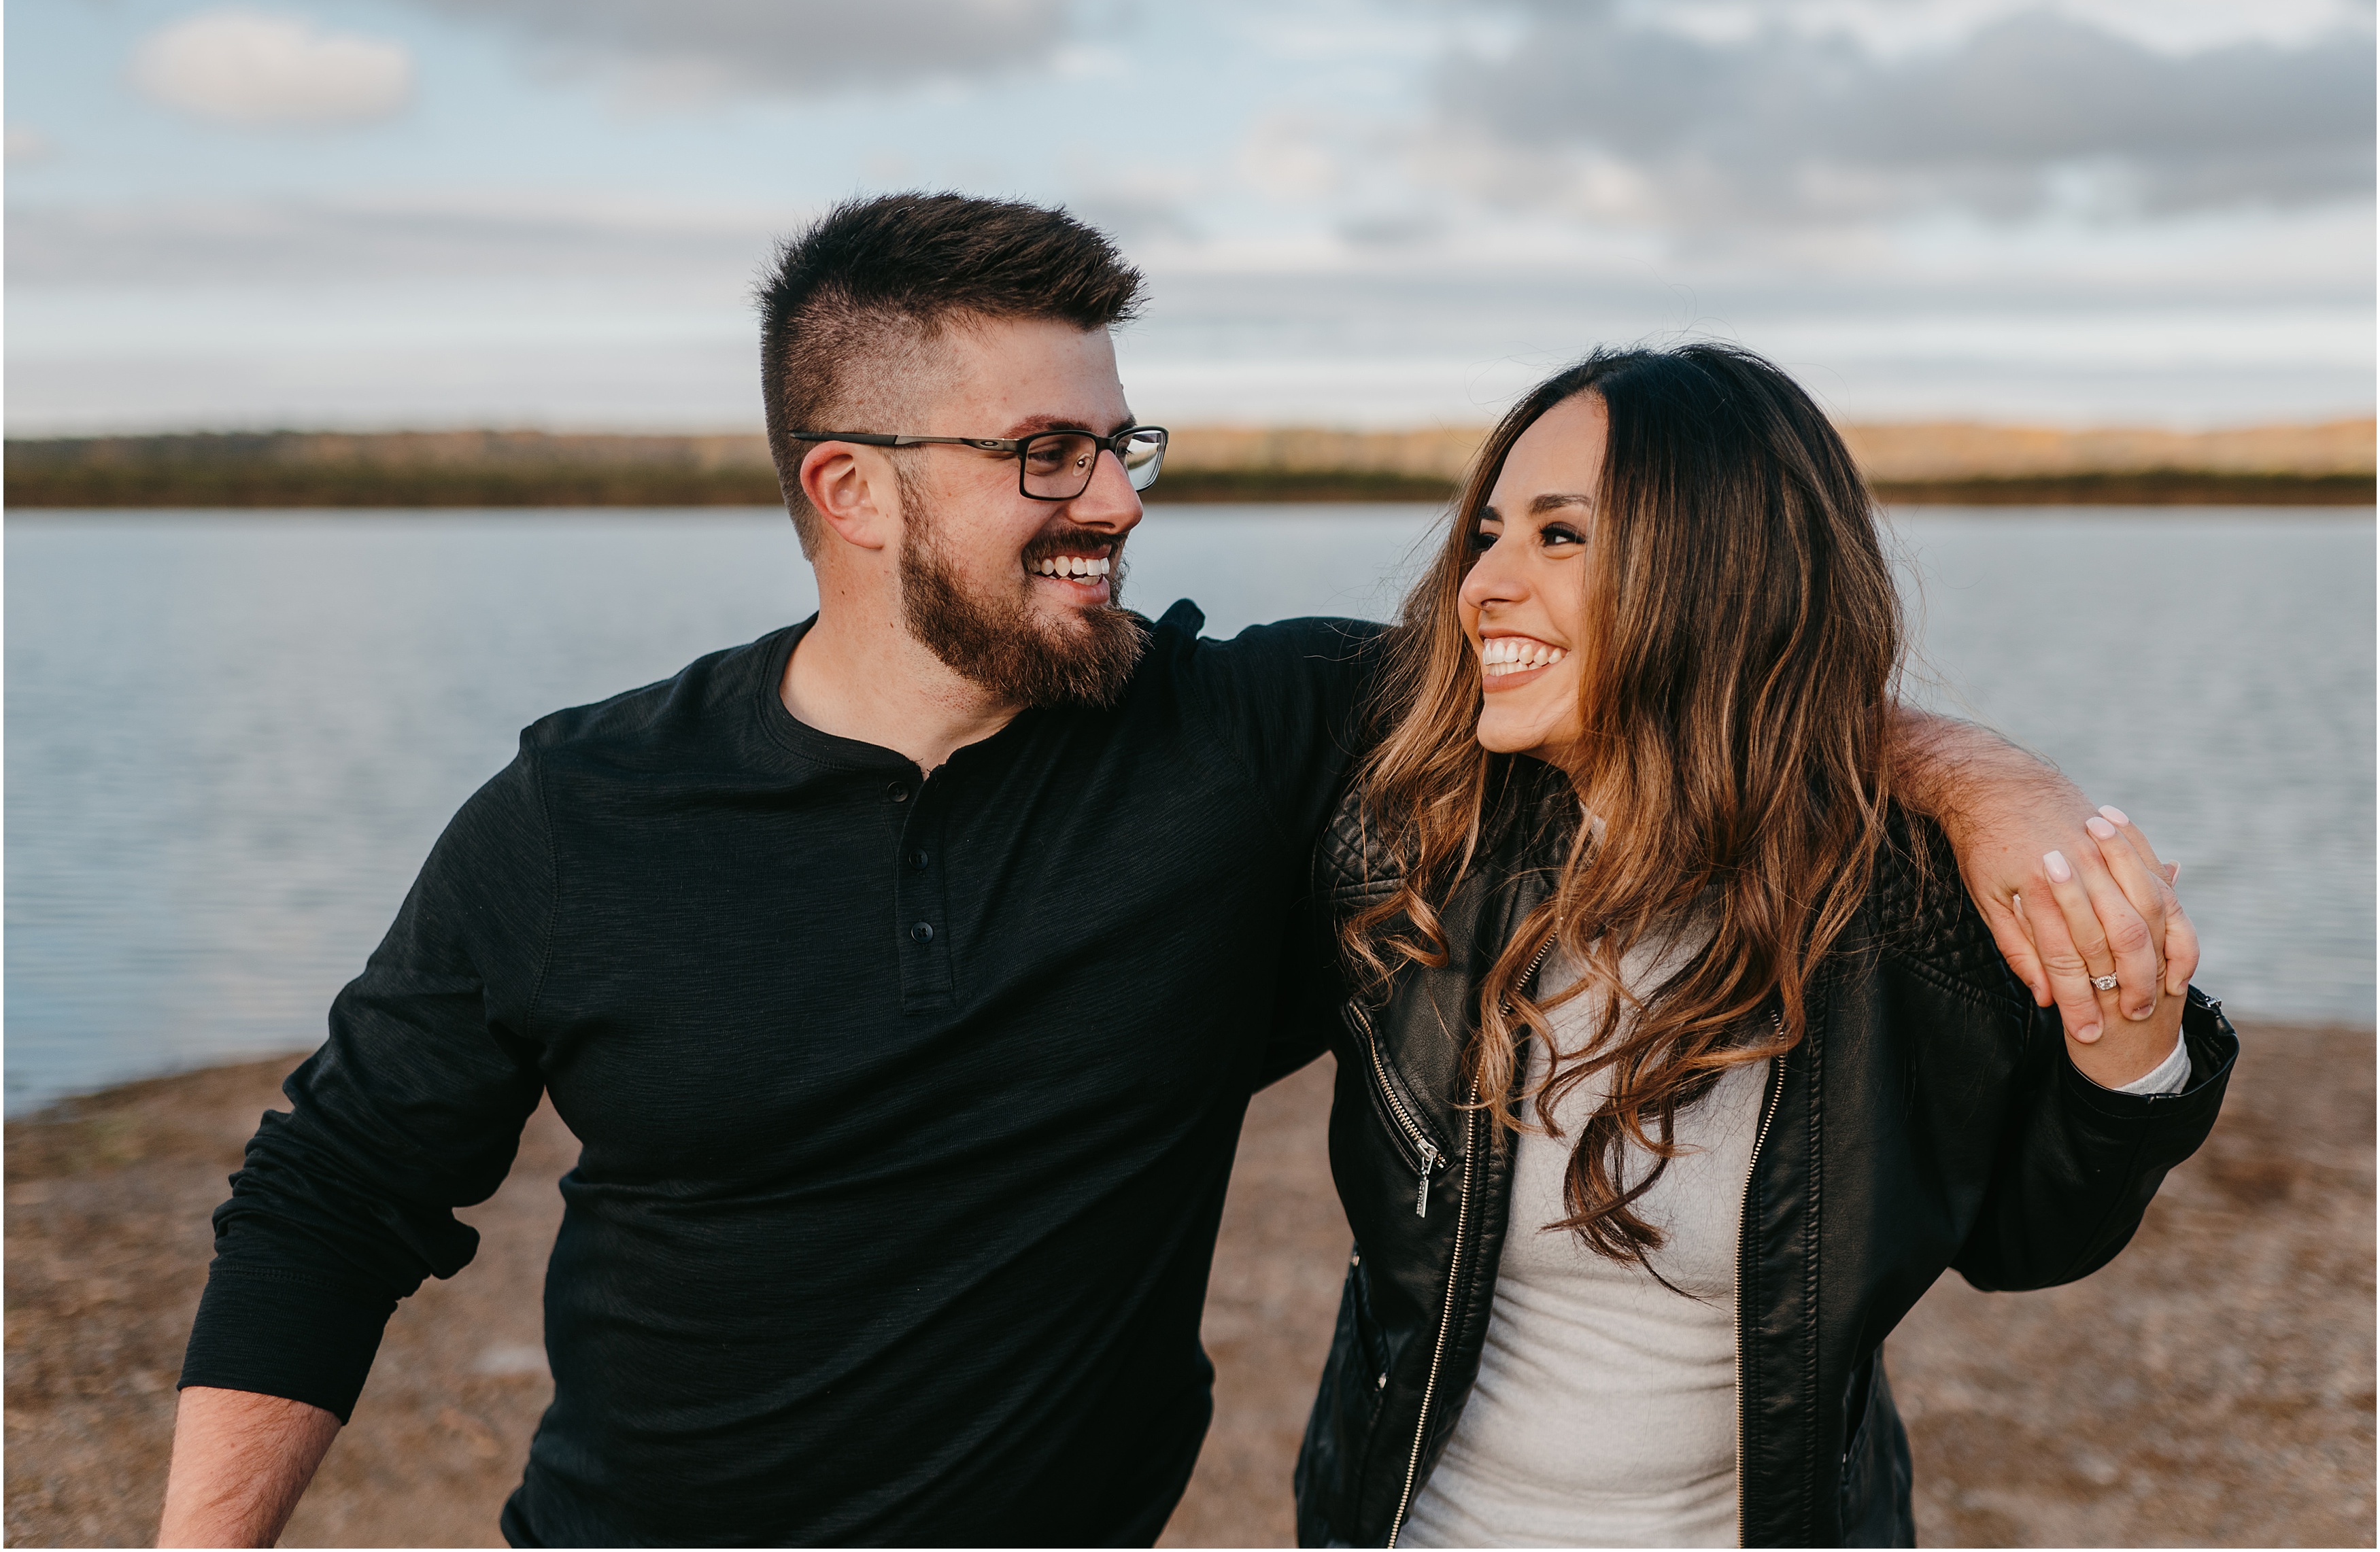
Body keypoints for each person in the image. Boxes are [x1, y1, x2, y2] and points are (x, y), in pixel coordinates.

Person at [158, 196, 2191, 1547]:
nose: (1112, 502)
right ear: (848, 488)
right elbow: (338, 1189)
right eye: (1047, 455)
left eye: (1129, 446)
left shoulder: (1264, 740)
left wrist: (1983, 784)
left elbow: (1667, 675)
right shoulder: (578, 814)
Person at [1289, 345, 2234, 1549]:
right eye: (1487, 534)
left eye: (1561, 536)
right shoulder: (1412, 838)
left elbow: (2028, 1239)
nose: (1485, 584)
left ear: (1719, 573)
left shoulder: (1903, 907)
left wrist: (2131, 1033)